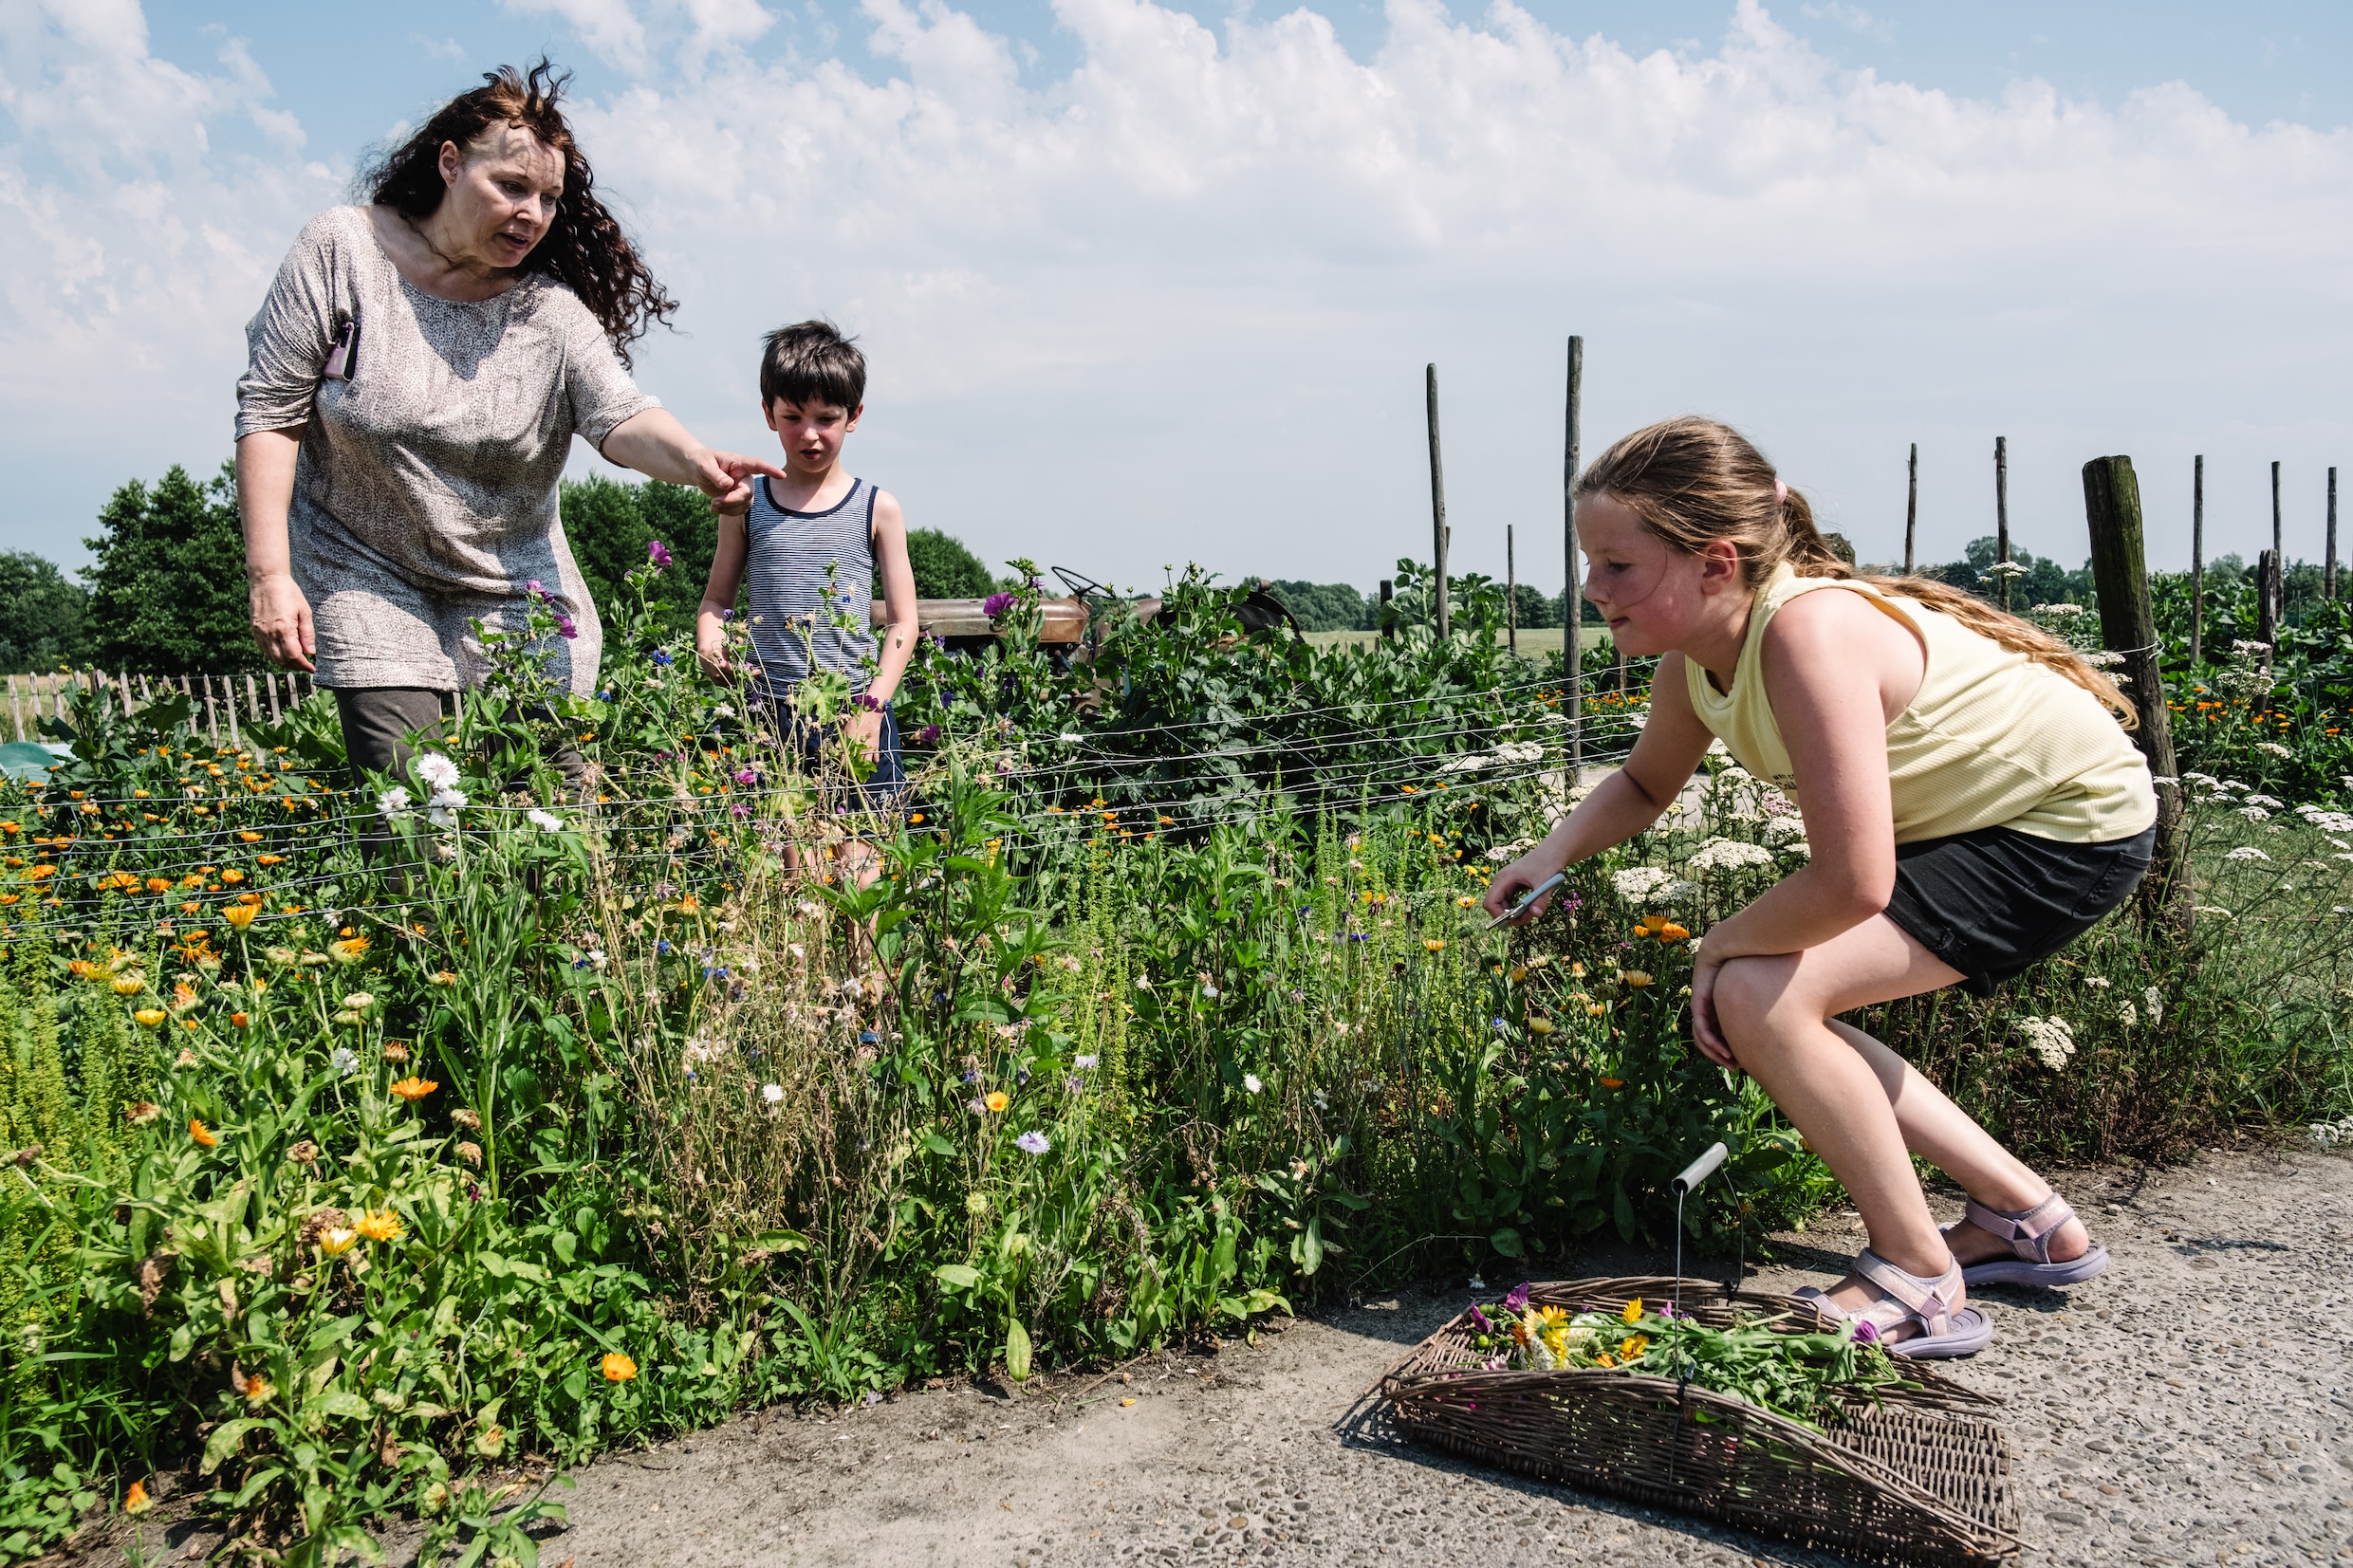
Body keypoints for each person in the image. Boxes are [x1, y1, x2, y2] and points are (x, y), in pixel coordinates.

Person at [1485, 415, 2155, 1357]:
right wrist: (1549, 853)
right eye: (1589, 562)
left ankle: (1917, 1275)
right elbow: (1643, 783)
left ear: (1715, 564)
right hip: (1992, 822)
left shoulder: (1807, 635)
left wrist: (1718, 946)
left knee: (1758, 992)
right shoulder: (1696, 661)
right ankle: (2023, 1219)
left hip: (2064, 829)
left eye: (1617, 565)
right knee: (1772, 995)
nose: (1591, 588)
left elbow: (1853, 882)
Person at [236, 62, 783, 784]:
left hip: (514, 586)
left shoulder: (548, 312)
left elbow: (620, 413)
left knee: (544, 809)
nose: (532, 212)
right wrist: (271, 574)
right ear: (450, 163)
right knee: (412, 805)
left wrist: (695, 461)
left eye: (549, 197)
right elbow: (271, 411)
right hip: (363, 568)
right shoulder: (342, 252)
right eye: (512, 186)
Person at [695, 322, 918, 885]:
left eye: (826, 418)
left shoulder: (877, 507)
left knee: (862, 876)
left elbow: (904, 623)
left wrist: (872, 707)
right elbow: (717, 599)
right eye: (793, 417)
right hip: (775, 711)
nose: (810, 434)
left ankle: (866, 955)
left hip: (857, 708)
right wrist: (711, 641)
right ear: (768, 414)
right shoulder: (747, 503)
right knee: (804, 879)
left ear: (854, 416)